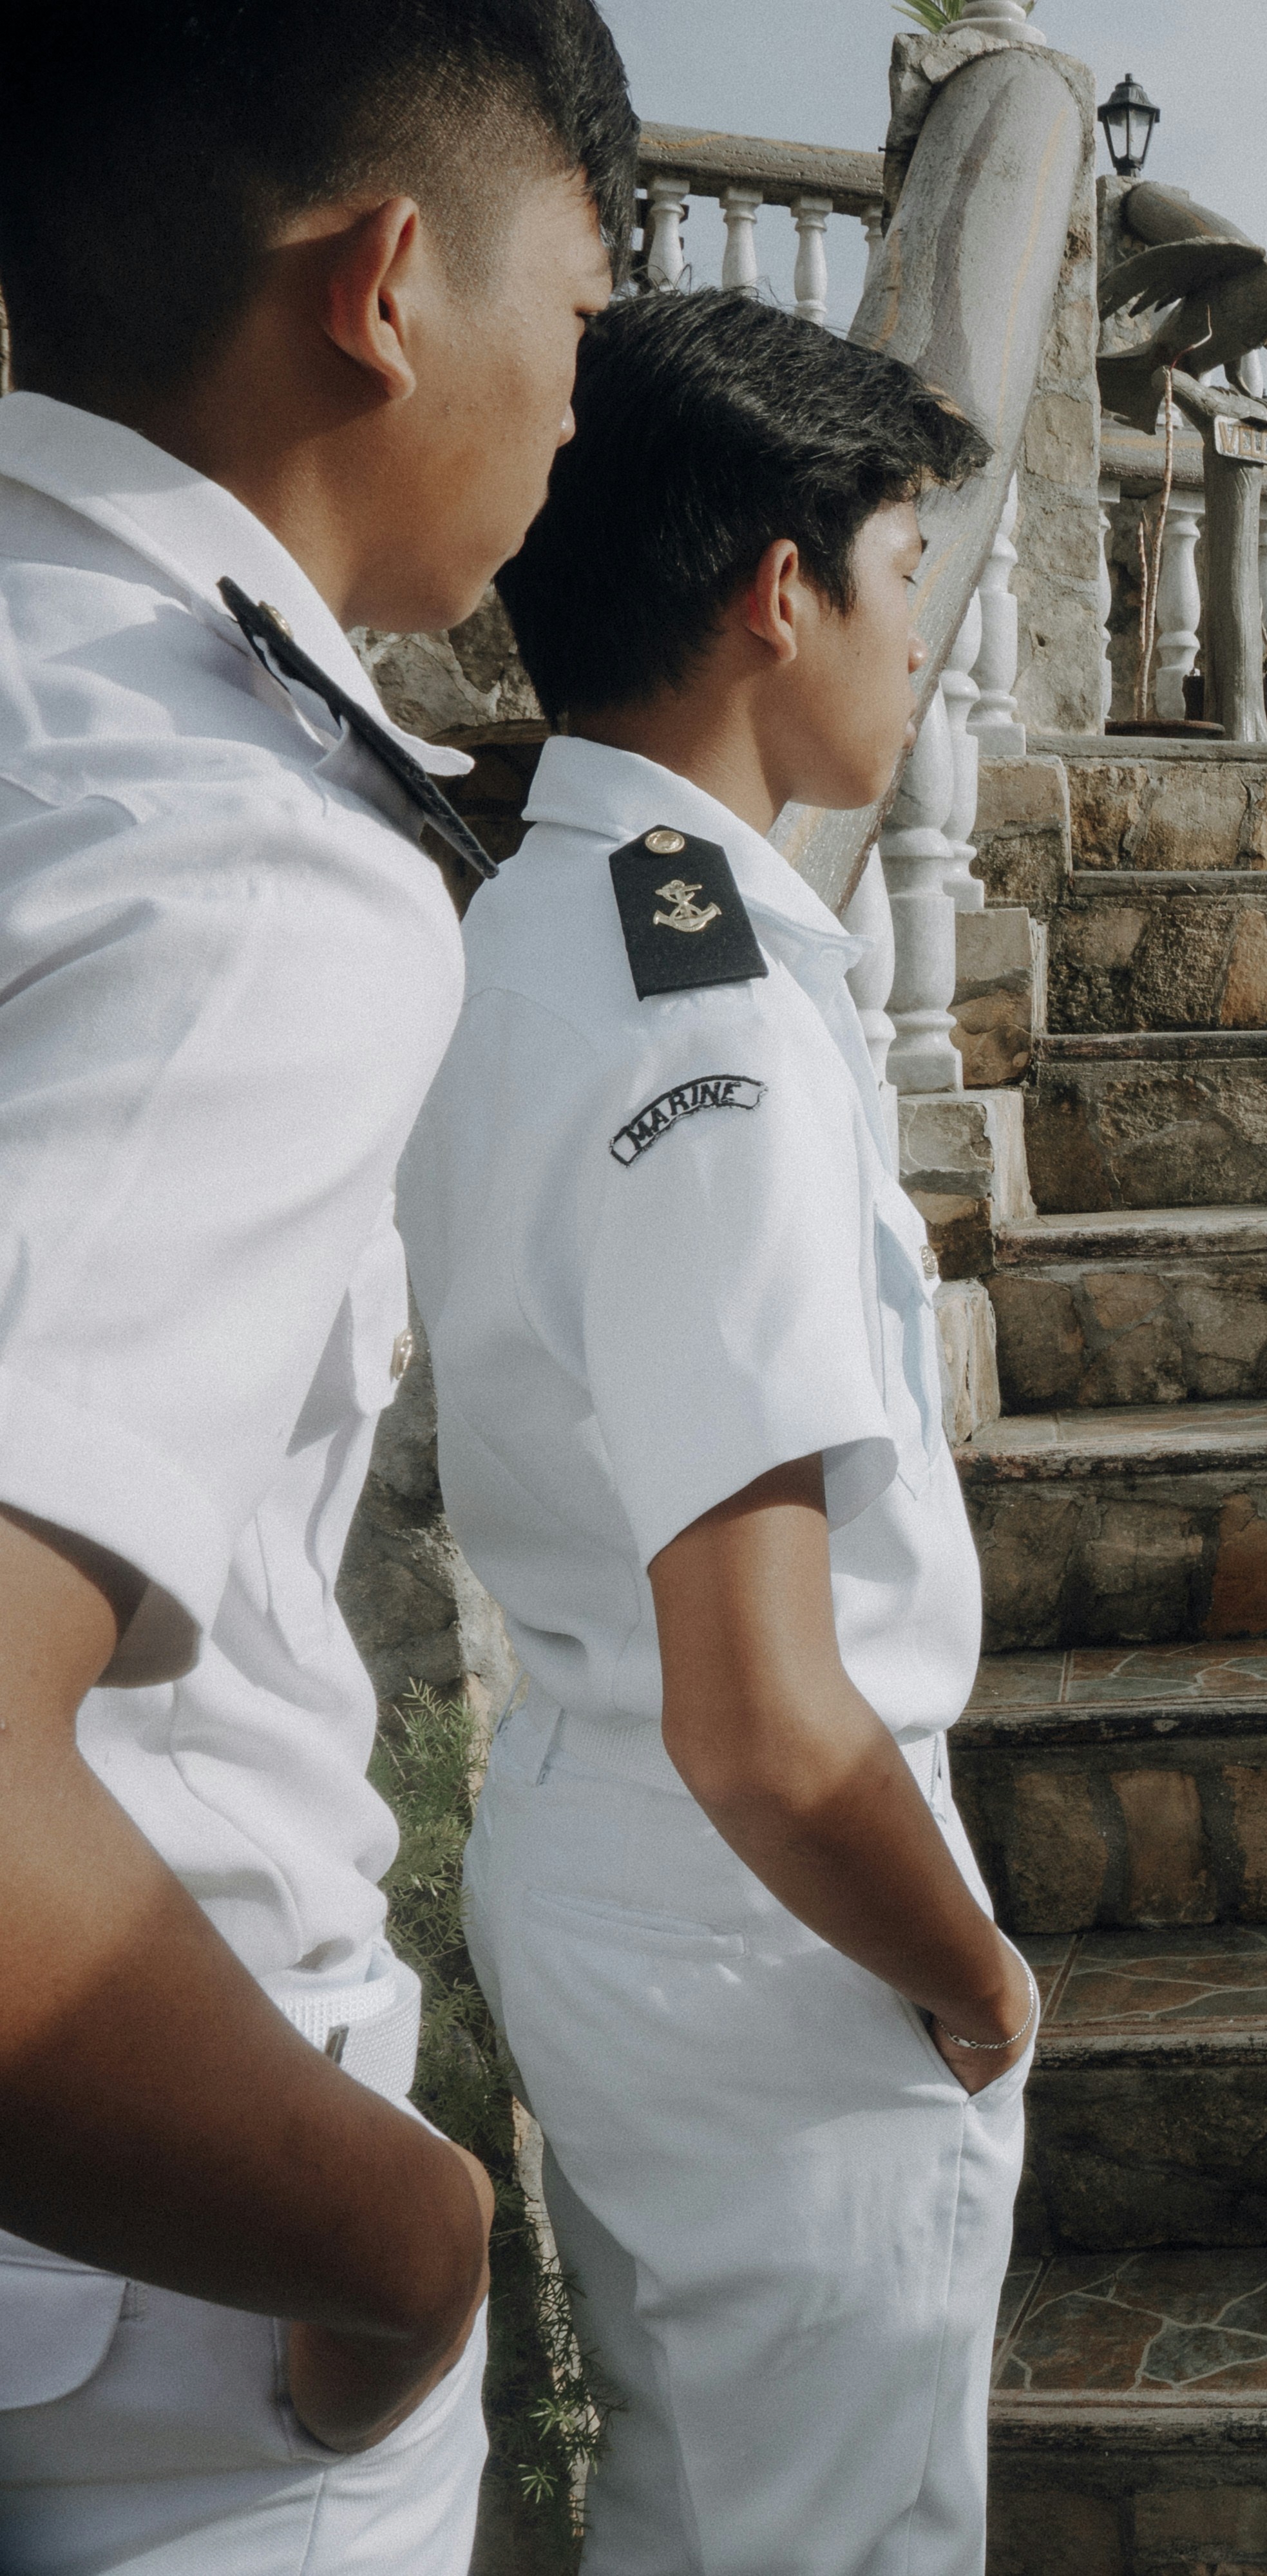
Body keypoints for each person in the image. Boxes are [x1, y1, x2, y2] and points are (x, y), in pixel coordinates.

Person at [0, 6, 629, 2566]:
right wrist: (397, 2225)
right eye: (578, 332)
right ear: (388, 290)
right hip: (152, 2307)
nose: (576, 424)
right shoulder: (245, 852)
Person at [392, 287, 1024, 2570]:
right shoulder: (712, 1024)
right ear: (784, 593)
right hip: (774, 1915)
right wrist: (972, 1974)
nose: (919, 634)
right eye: (907, 572)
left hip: (613, 1846)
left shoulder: (553, 911)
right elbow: (767, 1714)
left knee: (705, 2512)